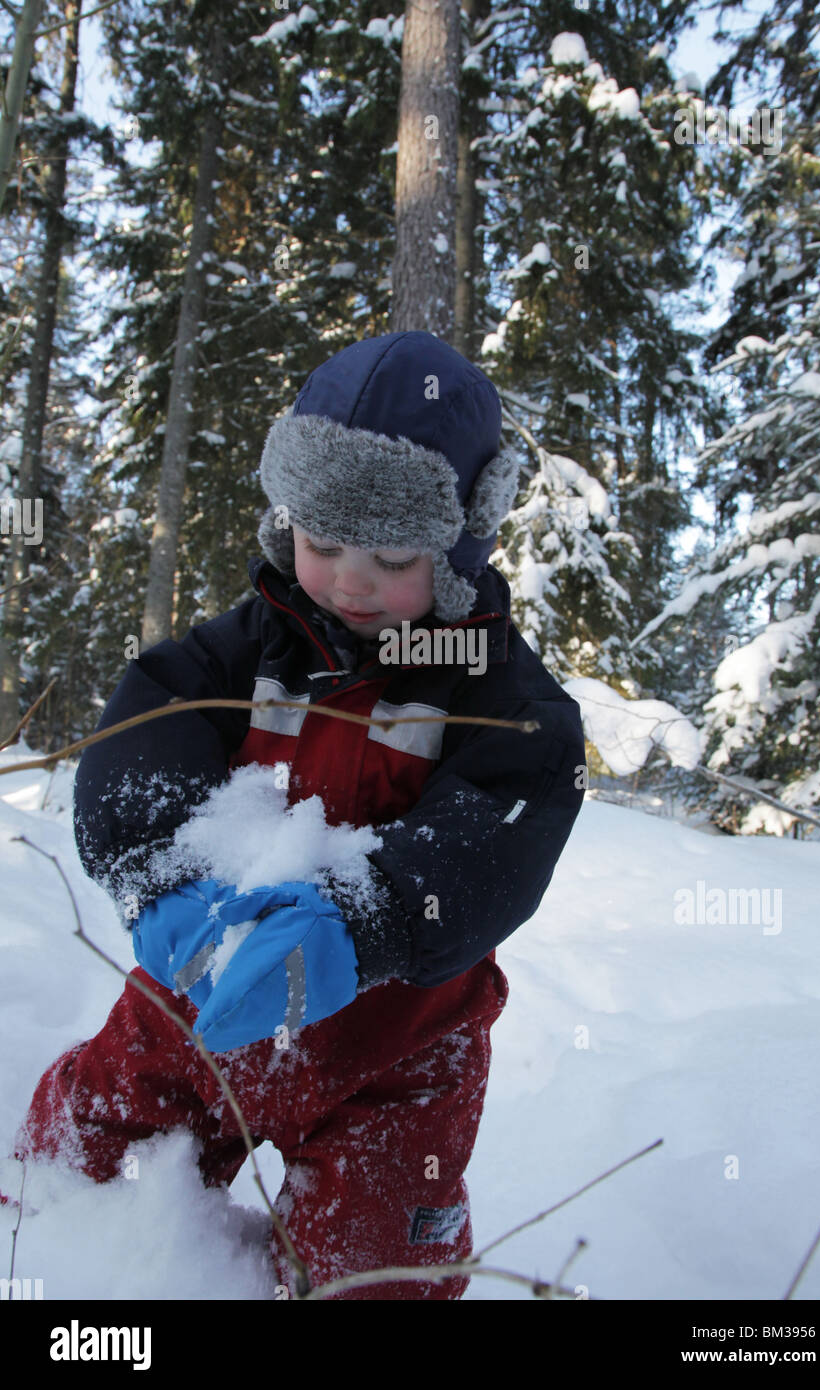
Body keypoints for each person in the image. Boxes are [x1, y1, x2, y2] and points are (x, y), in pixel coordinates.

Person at [12, 329, 587, 1300]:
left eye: (391, 554)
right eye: (322, 543)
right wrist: (162, 871)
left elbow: (510, 810)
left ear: (459, 546)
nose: (349, 580)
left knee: (383, 1270)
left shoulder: (493, 691)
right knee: (69, 1164)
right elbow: (150, 726)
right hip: (206, 996)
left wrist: (367, 917)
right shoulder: (248, 648)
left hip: (397, 1051)